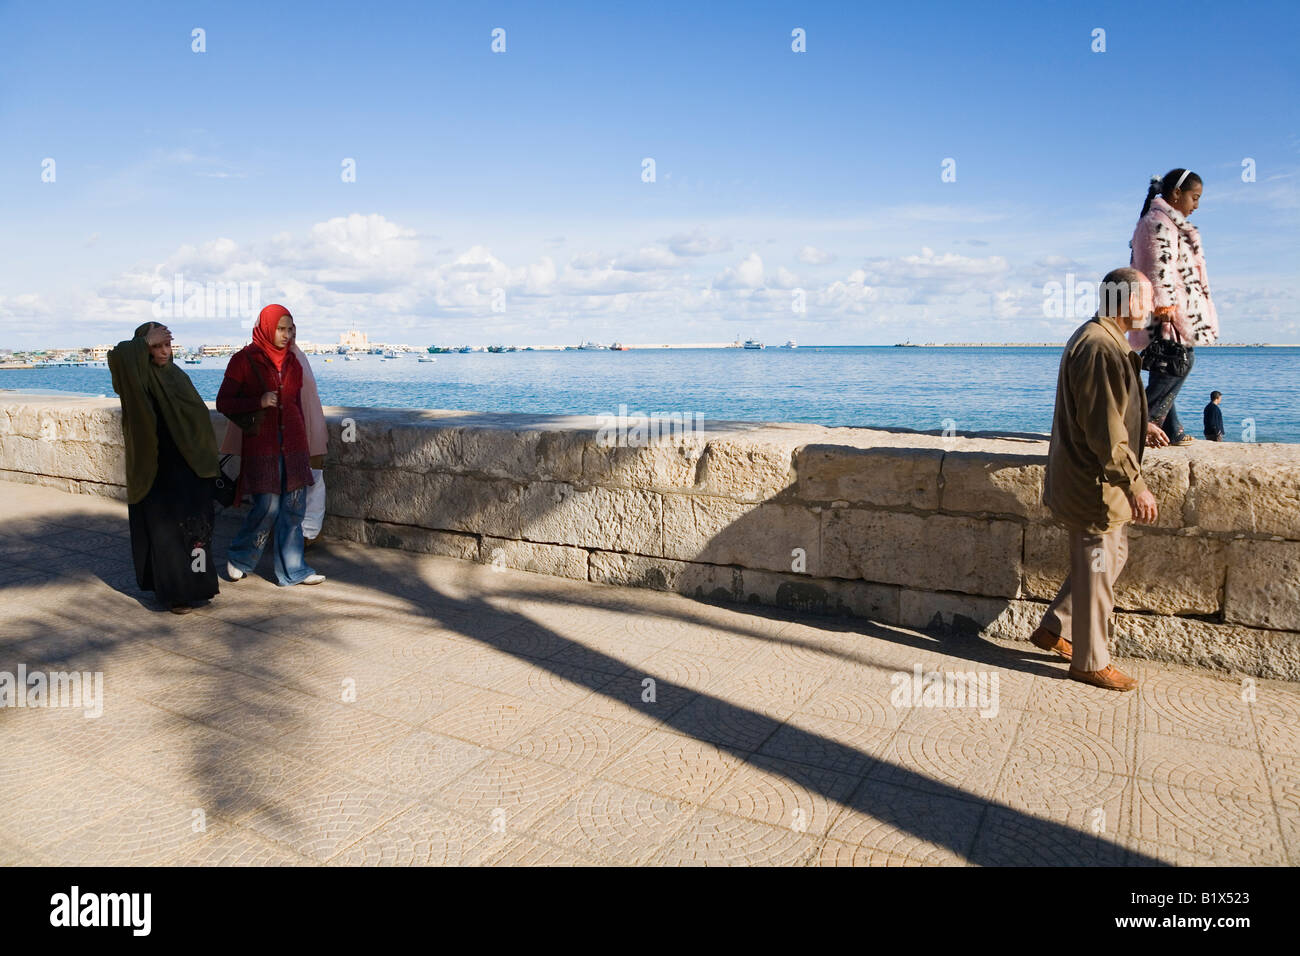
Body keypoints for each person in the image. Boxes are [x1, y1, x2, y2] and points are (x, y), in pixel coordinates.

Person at [1030, 268, 1168, 691]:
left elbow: (1107, 406)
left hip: (1095, 481)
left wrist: (1139, 423)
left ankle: (1057, 627)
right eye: (1145, 300)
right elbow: (1104, 431)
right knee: (1098, 565)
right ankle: (1090, 661)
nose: (1151, 307)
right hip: (1094, 484)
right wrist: (1137, 484)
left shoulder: (1103, 339)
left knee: (1111, 558)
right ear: (1126, 302)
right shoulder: (1099, 346)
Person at [108, 322, 221, 613]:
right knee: (166, 534)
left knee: (196, 529)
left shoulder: (175, 375)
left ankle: (198, 586)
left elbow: (195, 419)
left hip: (189, 464)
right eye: (156, 346)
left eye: (166, 345)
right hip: (157, 466)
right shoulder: (136, 379)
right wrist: (144, 341)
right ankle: (175, 594)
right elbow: (118, 357)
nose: (163, 352)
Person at [216, 304, 325, 587]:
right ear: (267, 327)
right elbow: (224, 402)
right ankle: (240, 557)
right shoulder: (244, 360)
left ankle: (294, 569)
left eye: (290, 329)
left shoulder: (293, 361)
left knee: (294, 507)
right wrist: (259, 401)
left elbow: (300, 404)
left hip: (294, 444)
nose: (286, 334)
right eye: (281, 328)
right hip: (263, 446)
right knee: (268, 507)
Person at [1128, 168, 1219, 447]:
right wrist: (1164, 303)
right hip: (1166, 310)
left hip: (1172, 307)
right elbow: (1158, 263)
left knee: (1166, 365)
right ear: (1176, 193)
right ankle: (1143, 422)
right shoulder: (1159, 221)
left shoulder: (1166, 221)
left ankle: (1171, 429)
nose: (1197, 205)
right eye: (1194, 197)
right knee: (1176, 364)